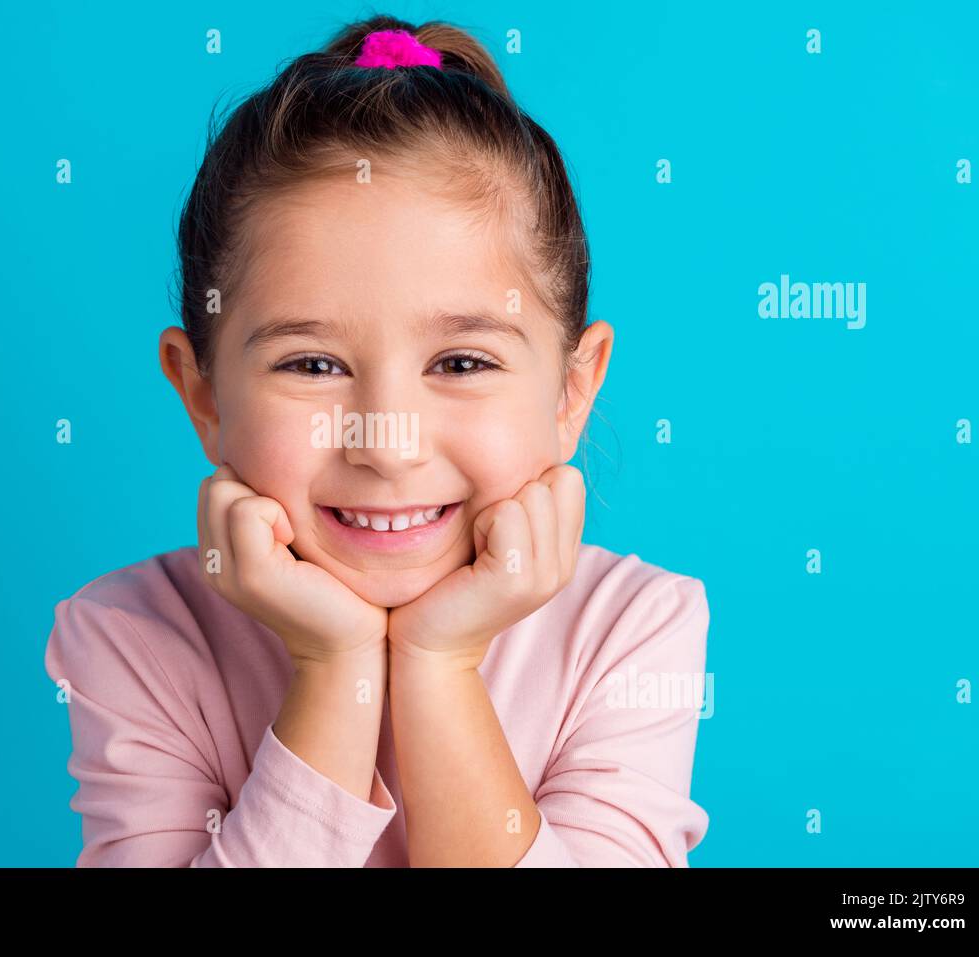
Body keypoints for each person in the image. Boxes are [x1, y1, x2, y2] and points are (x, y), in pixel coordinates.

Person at [44, 15, 711, 867]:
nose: (386, 442)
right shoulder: (132, 634)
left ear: (573, 389)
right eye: (313, 363)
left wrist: (440, 665)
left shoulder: (632, 626)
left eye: (462, 361)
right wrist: (334, 667)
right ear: (202, 392)